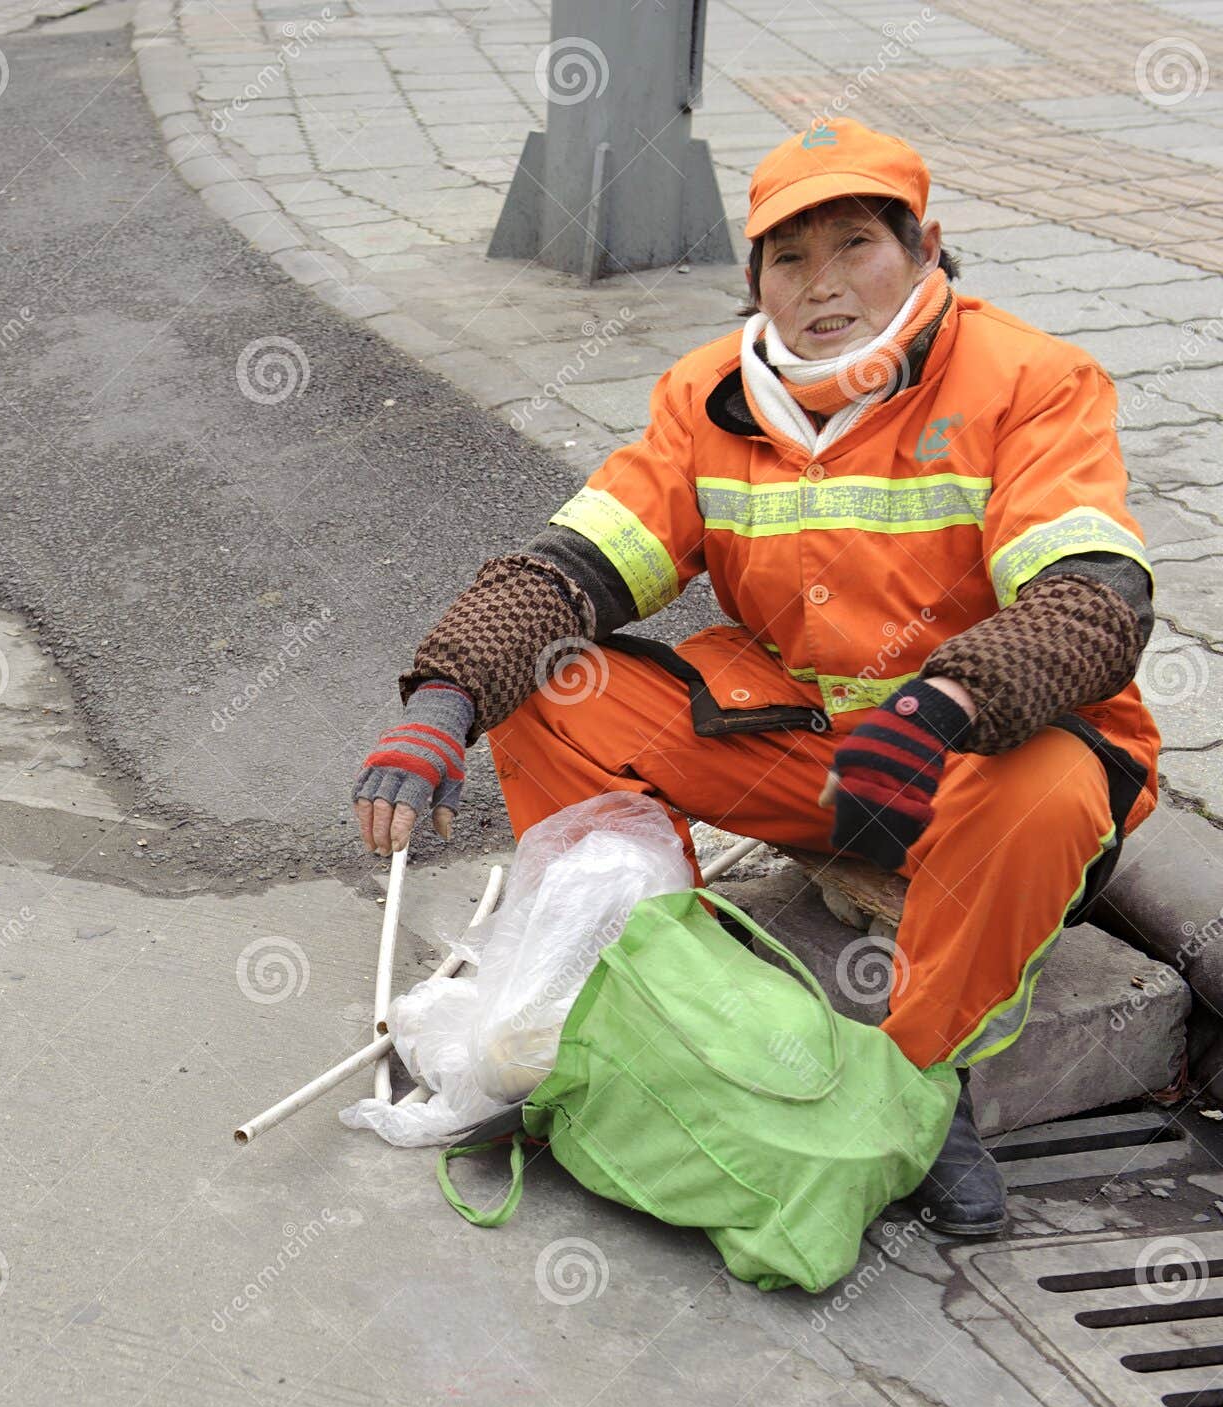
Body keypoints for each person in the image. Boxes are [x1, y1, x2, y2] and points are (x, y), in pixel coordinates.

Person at [351, 117, 1159, 1239]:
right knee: (543, 685)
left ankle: (919, 1090)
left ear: (926, 251)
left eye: (855, 246)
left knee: (1047, 792)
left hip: (971, 757)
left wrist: (947, 702)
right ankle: (642, 986)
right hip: (812, 758)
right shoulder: (707, 397)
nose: (822, 286)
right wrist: (443, 698)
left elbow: (1092, 597)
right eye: (790, 257)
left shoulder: (1031, 379)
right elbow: (571, 567)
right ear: (754, 280)